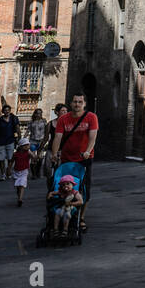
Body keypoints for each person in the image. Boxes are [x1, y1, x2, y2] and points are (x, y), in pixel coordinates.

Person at [51, 95, 97, 232]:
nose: (77, 104)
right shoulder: (63, 119)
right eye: (75, 102)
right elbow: (58, 137)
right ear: (71, 103)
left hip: (84, 159)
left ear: (84, 104)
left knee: (84, 188)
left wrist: (88, 151)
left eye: (80, 102)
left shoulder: (91, 117)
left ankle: (81, 217)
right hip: (67, 159)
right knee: (63, 185)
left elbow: (92, 136)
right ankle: (61, 211)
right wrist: (54, 154)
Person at [0, 104, 20, 181]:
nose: (7, 111)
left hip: (10, 141)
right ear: (3, 111)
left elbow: (17, 128)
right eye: (5, 110)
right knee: (1, 159)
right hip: (1, 142)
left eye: (8, 110)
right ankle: (3, 174)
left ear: (10, 111)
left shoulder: (13, 119)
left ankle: (8, 172)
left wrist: (19, 138)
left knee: (10, 159)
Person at [27, 109, 47, 178]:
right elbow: (28, 131)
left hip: (41, 141)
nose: (39, 115)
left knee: (40, 157)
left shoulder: (44, 121)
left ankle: (38, 172)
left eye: (40, 113)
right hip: (32, 141)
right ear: (34, 114)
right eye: (37, 113)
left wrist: (46, 139)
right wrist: (24, 139)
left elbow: (46, 131)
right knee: (33, 157)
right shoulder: (31, 122)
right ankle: (33, 174)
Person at [12, 138, 32, 206]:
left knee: (22, 185)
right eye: (25, 145)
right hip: (16, 171)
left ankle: (20, 199)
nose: (27, 147)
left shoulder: (28, 153)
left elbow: (34, 157)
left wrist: (31, 153)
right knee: (18, 186)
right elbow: (11, 162)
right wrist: (8, 169)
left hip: (24, 171)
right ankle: (19, 196)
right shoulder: (15, 154)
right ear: (20, 146)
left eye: (28, 145)